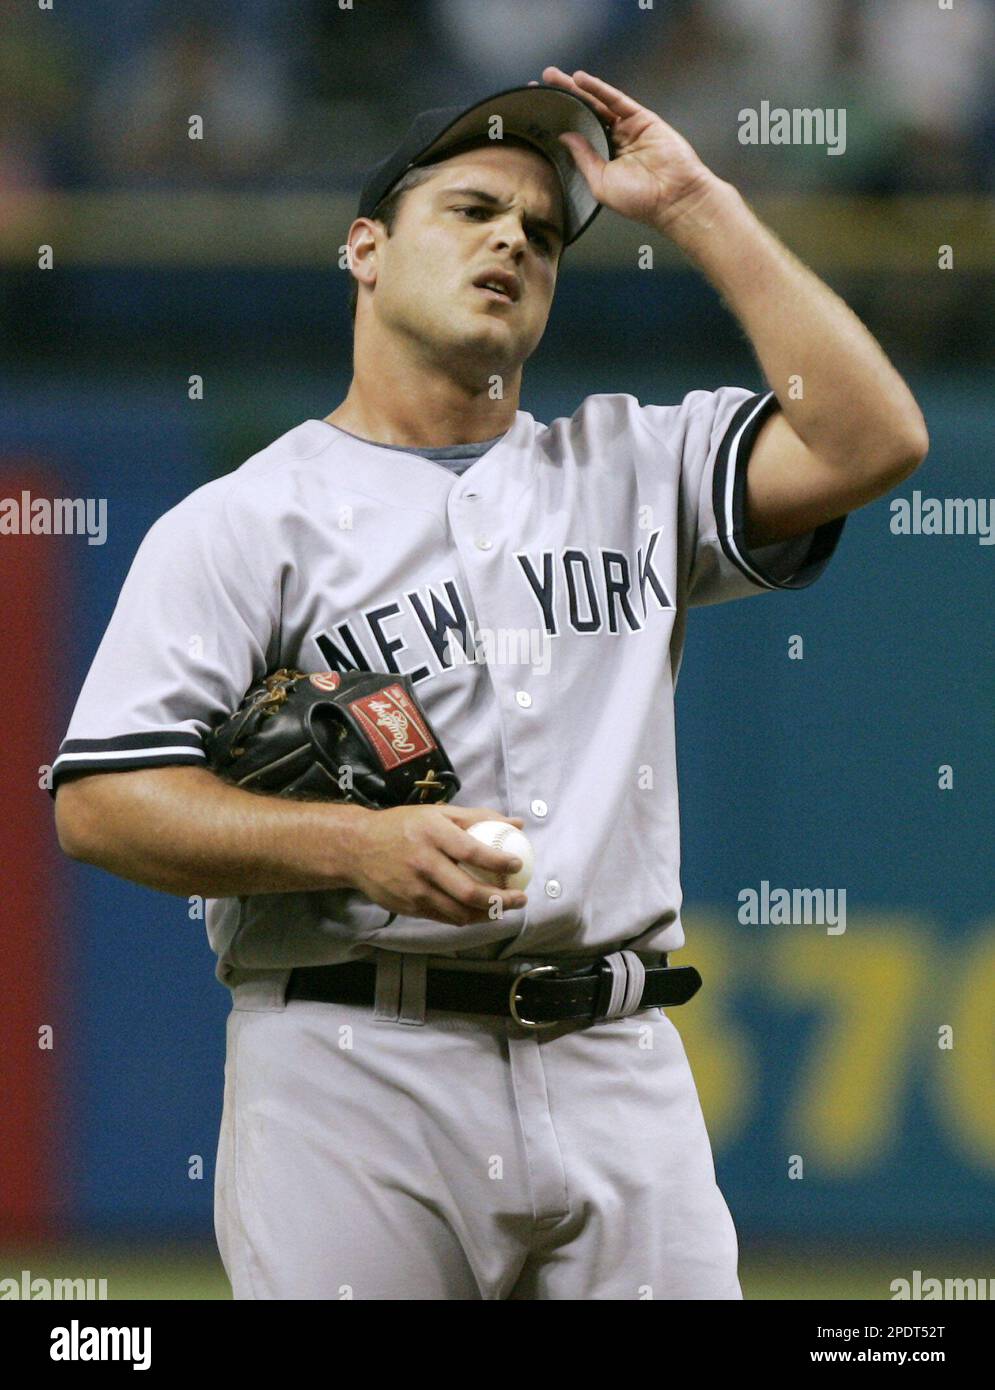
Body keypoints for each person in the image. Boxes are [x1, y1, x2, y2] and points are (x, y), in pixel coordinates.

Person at [52, 70, 927, 1300]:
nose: (510, 239)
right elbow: (98, 801)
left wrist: (695, 205)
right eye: (469, 209)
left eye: (539, 234)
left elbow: (871, 438)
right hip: (355, 1061)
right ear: (364, 247)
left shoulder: (632, 464)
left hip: (619, 1058)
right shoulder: (243, 524)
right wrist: (345, 848)